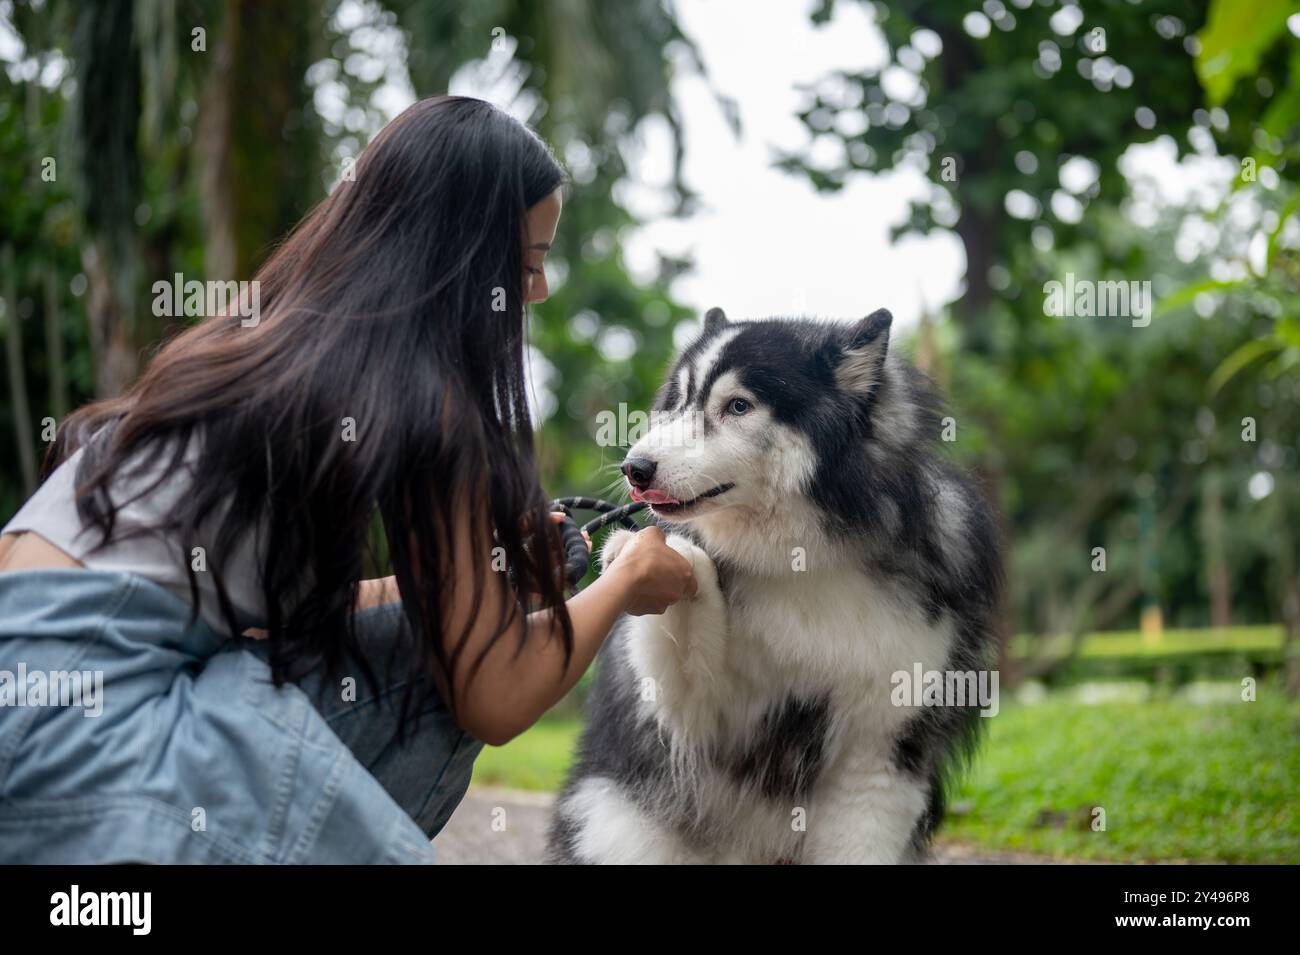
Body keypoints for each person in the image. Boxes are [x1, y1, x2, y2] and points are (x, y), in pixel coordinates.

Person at [0, 95, 697, 863]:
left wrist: (465, 575)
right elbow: (493, 692)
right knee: (450, 663)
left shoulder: (255, 341)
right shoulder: (428, 396)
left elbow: (272, 616)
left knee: (437, 628)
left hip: (25, 720)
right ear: (464, 251)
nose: (534, 291)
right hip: (95, 745)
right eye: (527, 263)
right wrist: (626, 580)